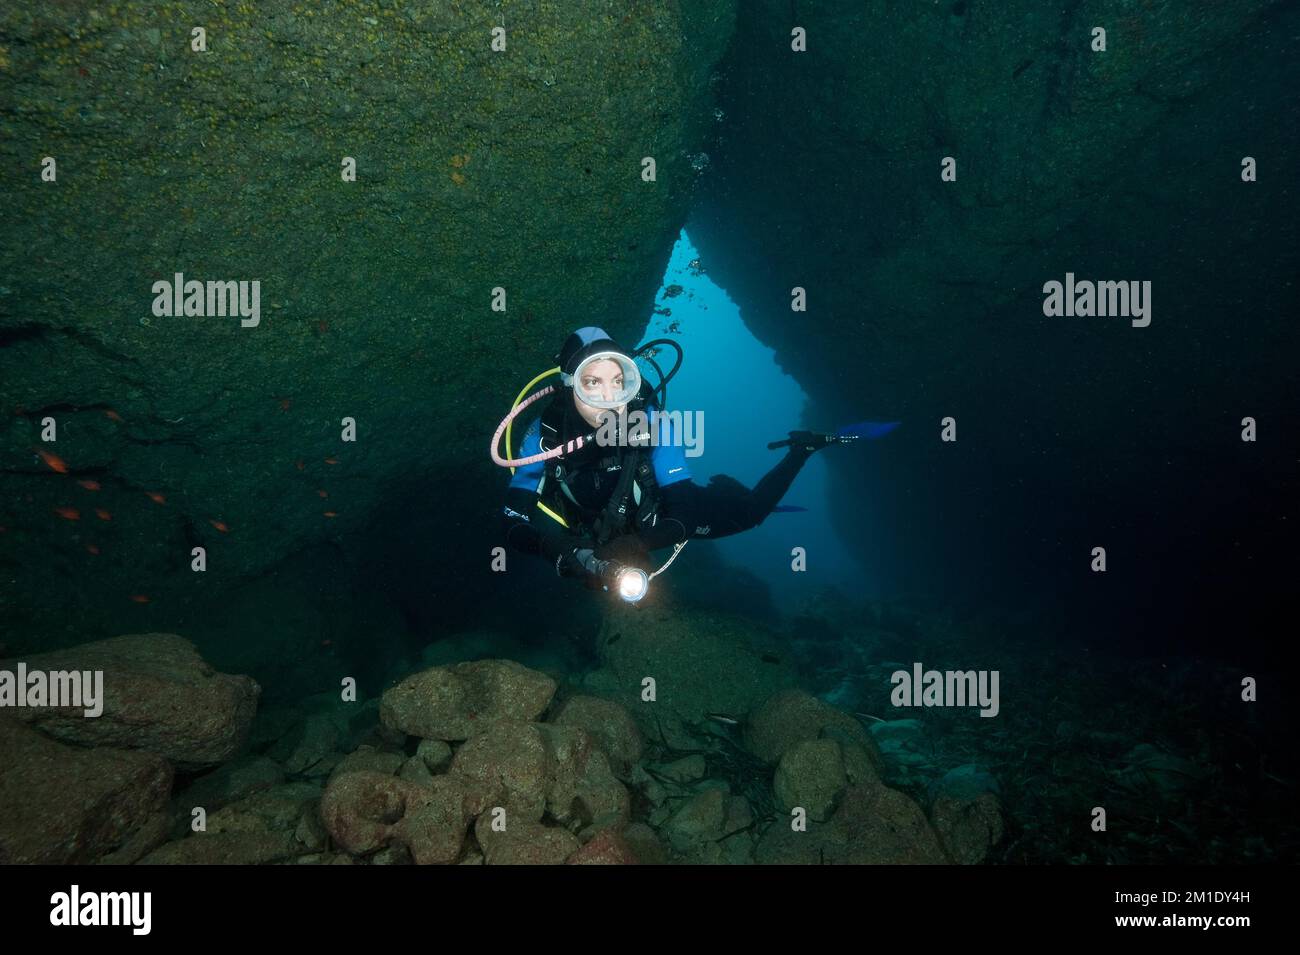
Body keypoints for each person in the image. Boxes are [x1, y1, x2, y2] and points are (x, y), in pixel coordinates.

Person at [499, 327, 847, 593]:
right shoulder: (543, 438)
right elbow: (513, 519)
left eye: (619, 381)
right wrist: (550, 547)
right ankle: (725, 487)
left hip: (658, 516)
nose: (610, 399)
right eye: (592, 383)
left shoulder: (652, 424)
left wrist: (640, 543)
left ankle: (800, 451)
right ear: (568, 385)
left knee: (755, 512)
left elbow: (683, 515)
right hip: (588, 531)